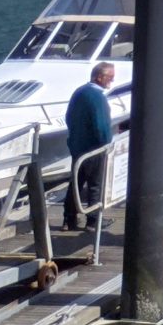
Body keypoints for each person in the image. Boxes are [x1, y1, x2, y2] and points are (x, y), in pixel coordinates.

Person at [62, 62, 116, 229]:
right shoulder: (98, 97)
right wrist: (107, 144)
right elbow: (101, 126)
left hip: (77, 146)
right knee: (96, 184)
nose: (111, 81)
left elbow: (68, 117)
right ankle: (93, 221)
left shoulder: (80, 92)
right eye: (110, 77)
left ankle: (69, 219)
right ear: (99, 77)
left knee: (76, 183)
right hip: (94, 148)